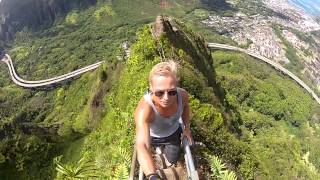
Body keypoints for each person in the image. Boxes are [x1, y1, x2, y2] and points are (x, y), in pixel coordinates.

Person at [134, 60, 193, 180]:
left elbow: (186, 107)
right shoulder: (145, 109)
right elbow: (142, 145)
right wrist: (152, 176)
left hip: (173, 135)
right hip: (153, 137)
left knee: (172, 159)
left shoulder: (182, 96)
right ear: (151, 87)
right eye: (159, 93)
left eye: (172, 92)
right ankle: (157, 157)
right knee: (151, 158)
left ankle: (164, 159)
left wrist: (187, 128)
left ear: (176, 86)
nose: (166, 98)